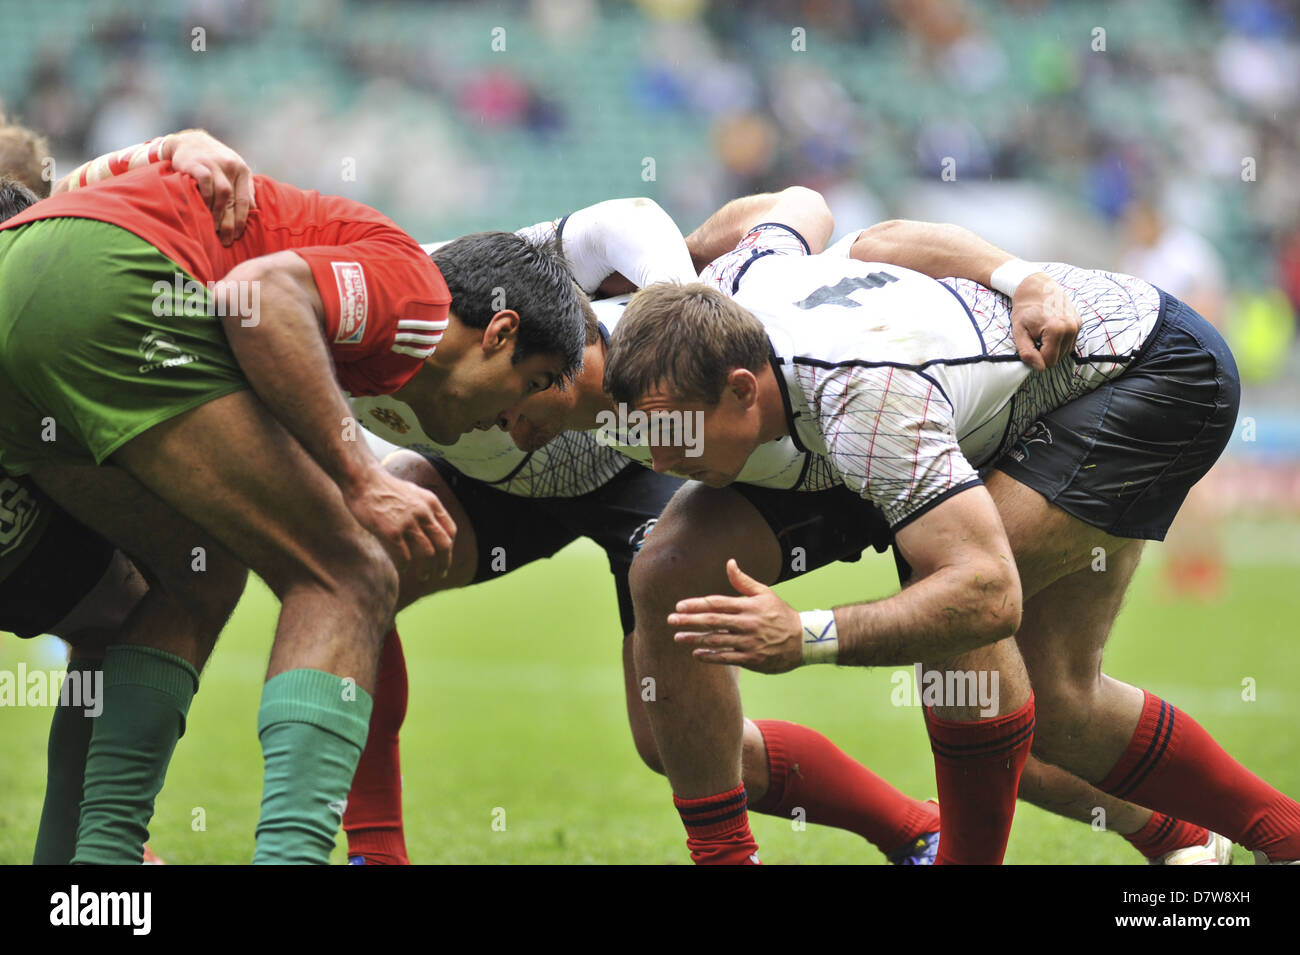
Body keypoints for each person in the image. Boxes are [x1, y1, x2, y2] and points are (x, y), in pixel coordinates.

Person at [599, 210, 1299, 865]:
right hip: (1017, 392)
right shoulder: (728, 287)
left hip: (1148, 369)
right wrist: (1018, 277)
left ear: (743, 389)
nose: (659, 459)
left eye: (675, 429)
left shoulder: (867, 402)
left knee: (954, 606)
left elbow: (986, 593)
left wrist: (807, 634)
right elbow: (872, 234)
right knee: (1057, 705)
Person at [0, 138, 586, 864]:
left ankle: (94, 881)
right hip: (106, 280)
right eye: (533, 384)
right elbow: (266, 302)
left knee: (197, 565)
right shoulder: (418, 294)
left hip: (22, 277)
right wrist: (363, 480)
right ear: (501, 333)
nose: (513, 426)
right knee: (352, 572)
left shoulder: (367, 331)